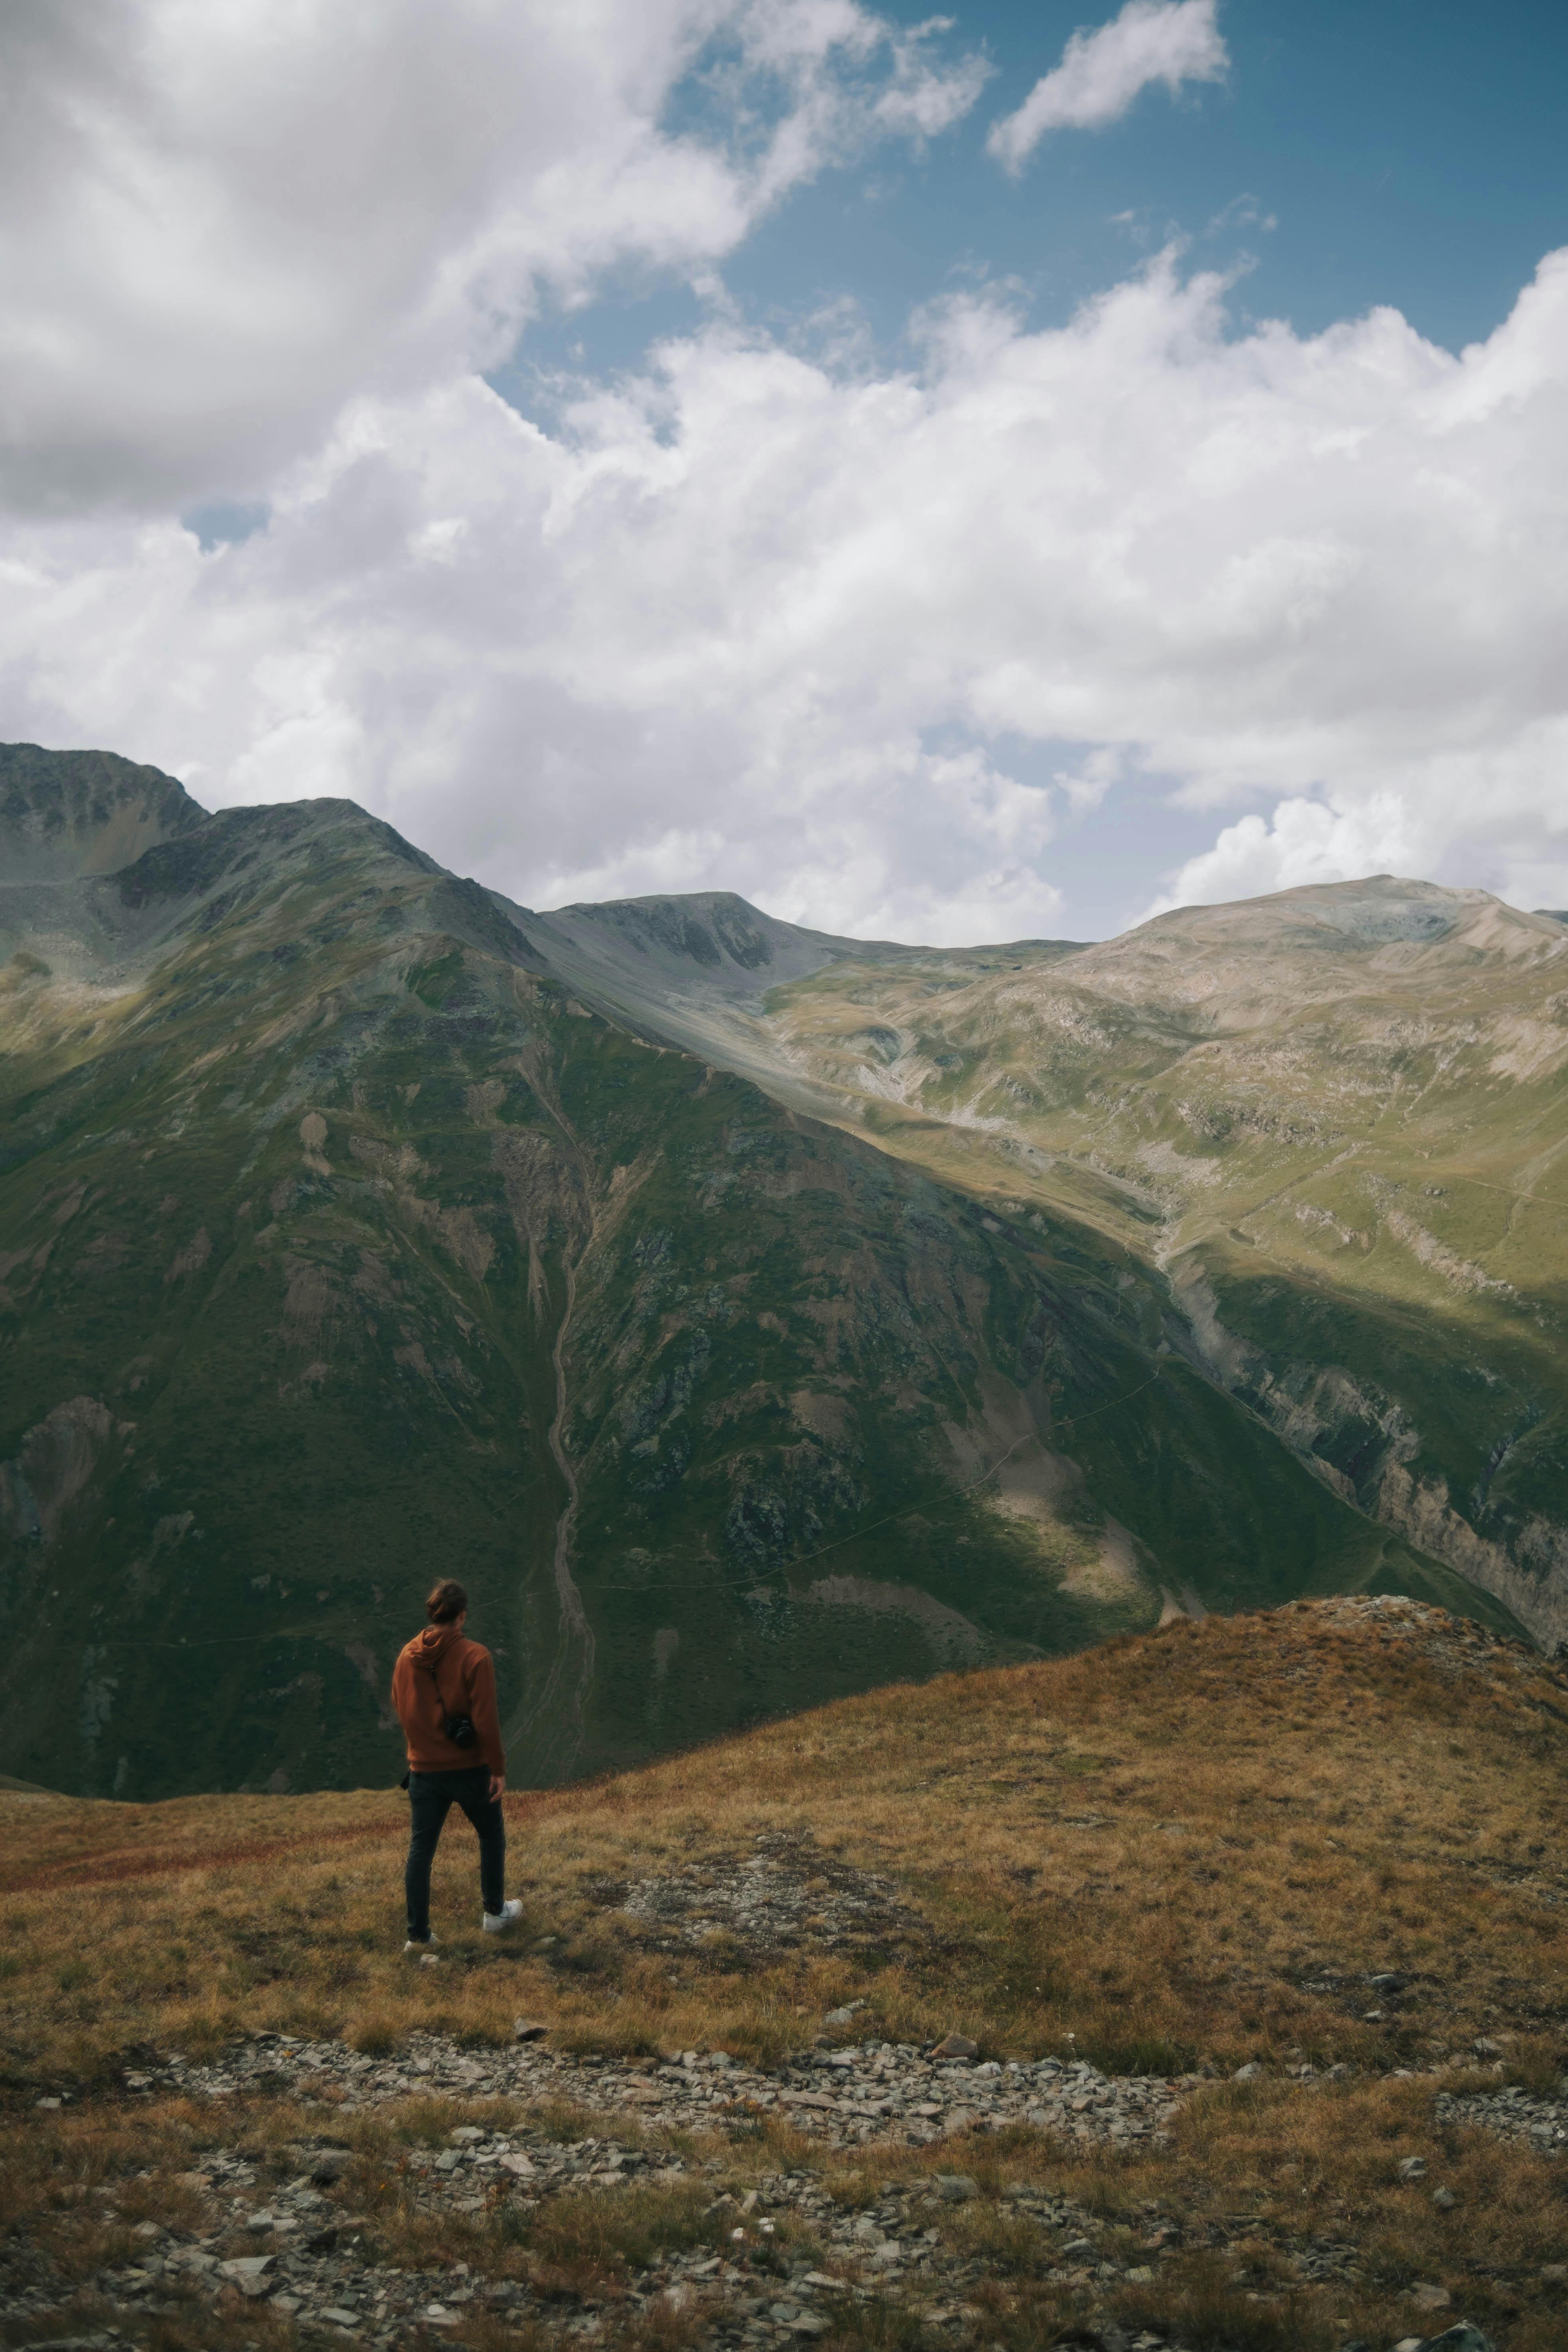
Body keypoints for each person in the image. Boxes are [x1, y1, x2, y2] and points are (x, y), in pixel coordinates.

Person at [391, 1577, 523, 1951]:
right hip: (469, 1770)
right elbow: (486, 1721)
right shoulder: (476, 1656)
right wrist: (498, 1768)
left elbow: (400, 1705)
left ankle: (418, 1937)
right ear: (462, 1616)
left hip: (423, 1772)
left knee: (421, 1851)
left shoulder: (406, 1656)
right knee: (491, 1835)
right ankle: (495, 1913)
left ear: (433, 1615)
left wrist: (423, 1745)